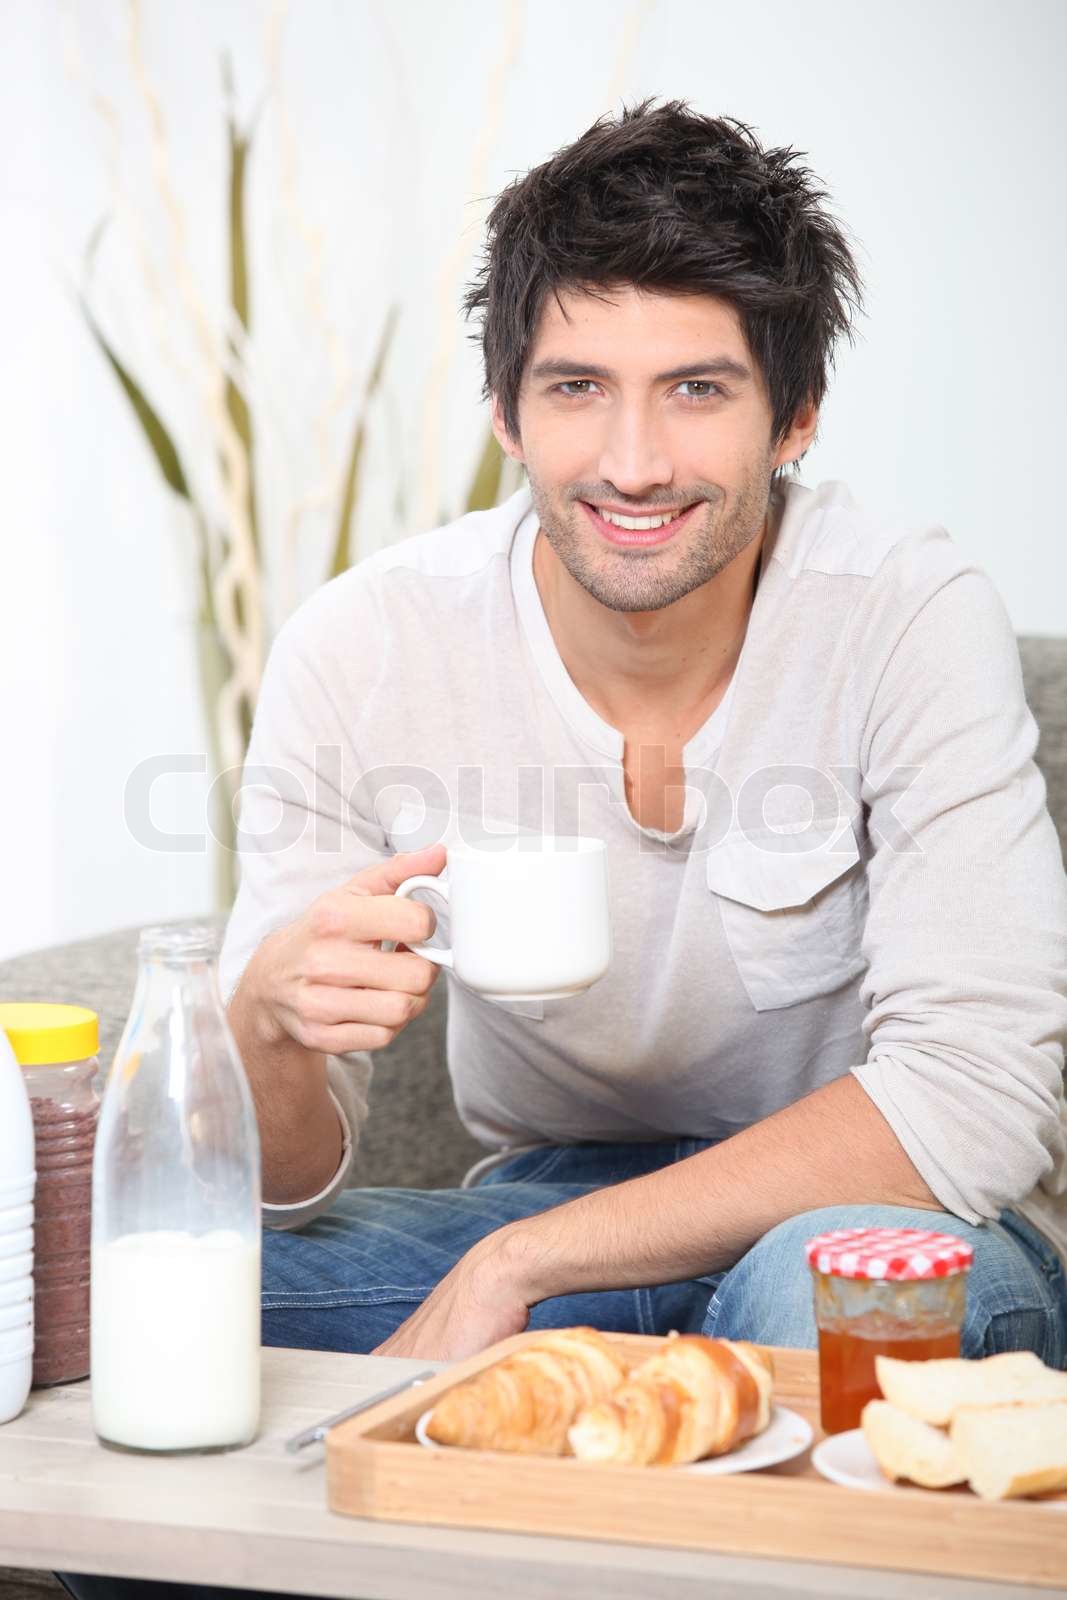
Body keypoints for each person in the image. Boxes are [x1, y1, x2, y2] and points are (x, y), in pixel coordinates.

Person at [216, 96, 1067, 1367]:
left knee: (806, 1300)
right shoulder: (364, 644)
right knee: (170, 1297)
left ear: (792, 417)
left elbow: (975, 1101)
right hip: (553, 1185)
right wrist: (266, 1032)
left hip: (871, 1208)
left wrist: (518, 1263)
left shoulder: (903, 615)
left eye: (693, 389)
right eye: (575, 387)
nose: (631, 462)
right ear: (507, 415)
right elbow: (285, 1180)